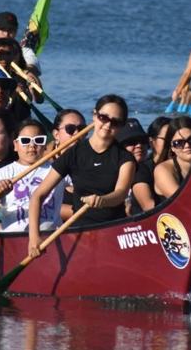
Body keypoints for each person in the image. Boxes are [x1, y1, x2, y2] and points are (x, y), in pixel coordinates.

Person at [27, 95, 136, 257]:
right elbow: (38, 195)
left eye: (115, 122)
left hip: (113, 229)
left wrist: (102, 200)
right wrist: (34, 238)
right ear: (94, 116)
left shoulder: (126, 158)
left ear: (121, 126)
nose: (108, 124)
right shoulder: (74, 154)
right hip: (79, 228)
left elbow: (120, 194)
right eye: (103, 118)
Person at [0, 119, 67, 233]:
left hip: (51, 235)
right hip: (13, 238)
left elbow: (79, 185)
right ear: (15, 145)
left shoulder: (56, 170)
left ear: (45, 145)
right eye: (25, 140)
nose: (32, 145)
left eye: (38, 140)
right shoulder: (4, 173)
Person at [153, 116, 191, 199]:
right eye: (179, 143)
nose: (187, 146)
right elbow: (182, 200)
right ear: (172, 147)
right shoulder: (162, 170)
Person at [50, 109, 87, 220]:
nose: (77, 133)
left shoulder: (93, 159)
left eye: (81, 129)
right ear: (56, 134)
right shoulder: (45, 165)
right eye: (70, 129)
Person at [117, 118, 159, 216]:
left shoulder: (157, 169)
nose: (139, 145)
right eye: (132, 142)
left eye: (142, 141)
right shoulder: (109, 173)